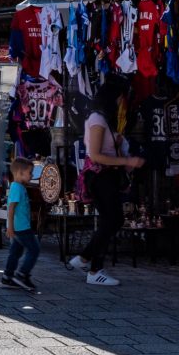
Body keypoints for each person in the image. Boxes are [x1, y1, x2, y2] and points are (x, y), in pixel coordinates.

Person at [69, 78, 141, 287]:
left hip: (105, 177)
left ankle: (87, 261)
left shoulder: (102, 120)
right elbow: (96, 155)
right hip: (100, 177)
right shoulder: (97, 120)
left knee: (111, 220)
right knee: (112, 220)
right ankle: (91, 265)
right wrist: (127, 161)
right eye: (120, 98)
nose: (121, 103)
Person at [1, 155, 41, 291]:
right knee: (34, 249)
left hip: (18, 227)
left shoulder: (18, 187)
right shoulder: (17, 188)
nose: (31, 176)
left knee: (15, 253)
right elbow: (11, 208)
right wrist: (10, 226)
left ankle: (7, 277)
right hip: (21, 228)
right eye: (30, 173)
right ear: (19, 173)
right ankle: (22, 274)